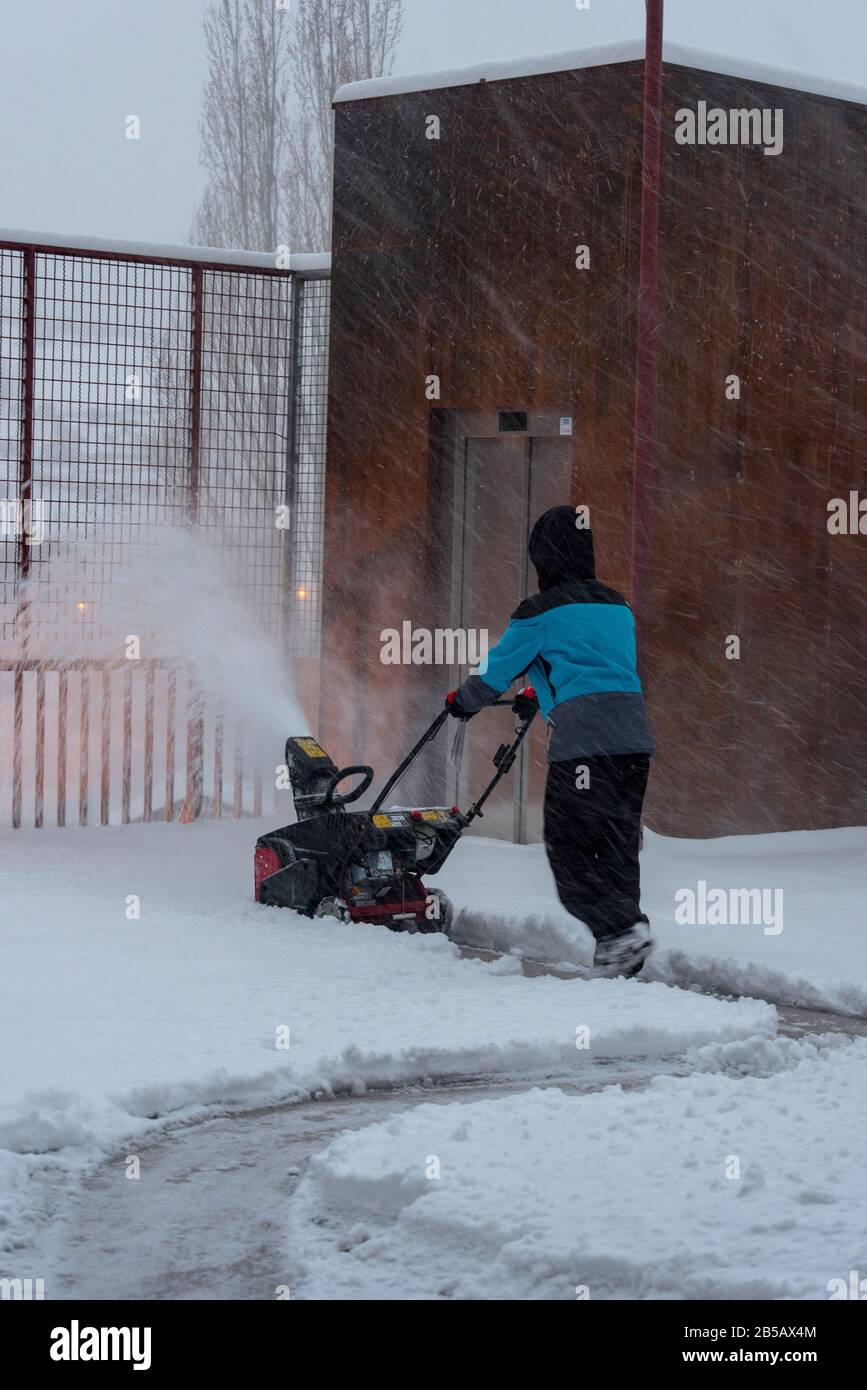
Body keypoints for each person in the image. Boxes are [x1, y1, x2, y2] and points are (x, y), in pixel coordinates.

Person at [445, 505, 654, 978]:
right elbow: (592, 666)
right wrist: (538, 692)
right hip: (635, 742)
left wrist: (465, 700)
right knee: (616, 846)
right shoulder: (616, 605)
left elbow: (495, 673)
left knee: (567, 846)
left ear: (543, 556)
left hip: (585, 744)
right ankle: (621, 949)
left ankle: (620, 930)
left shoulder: (537, 612)